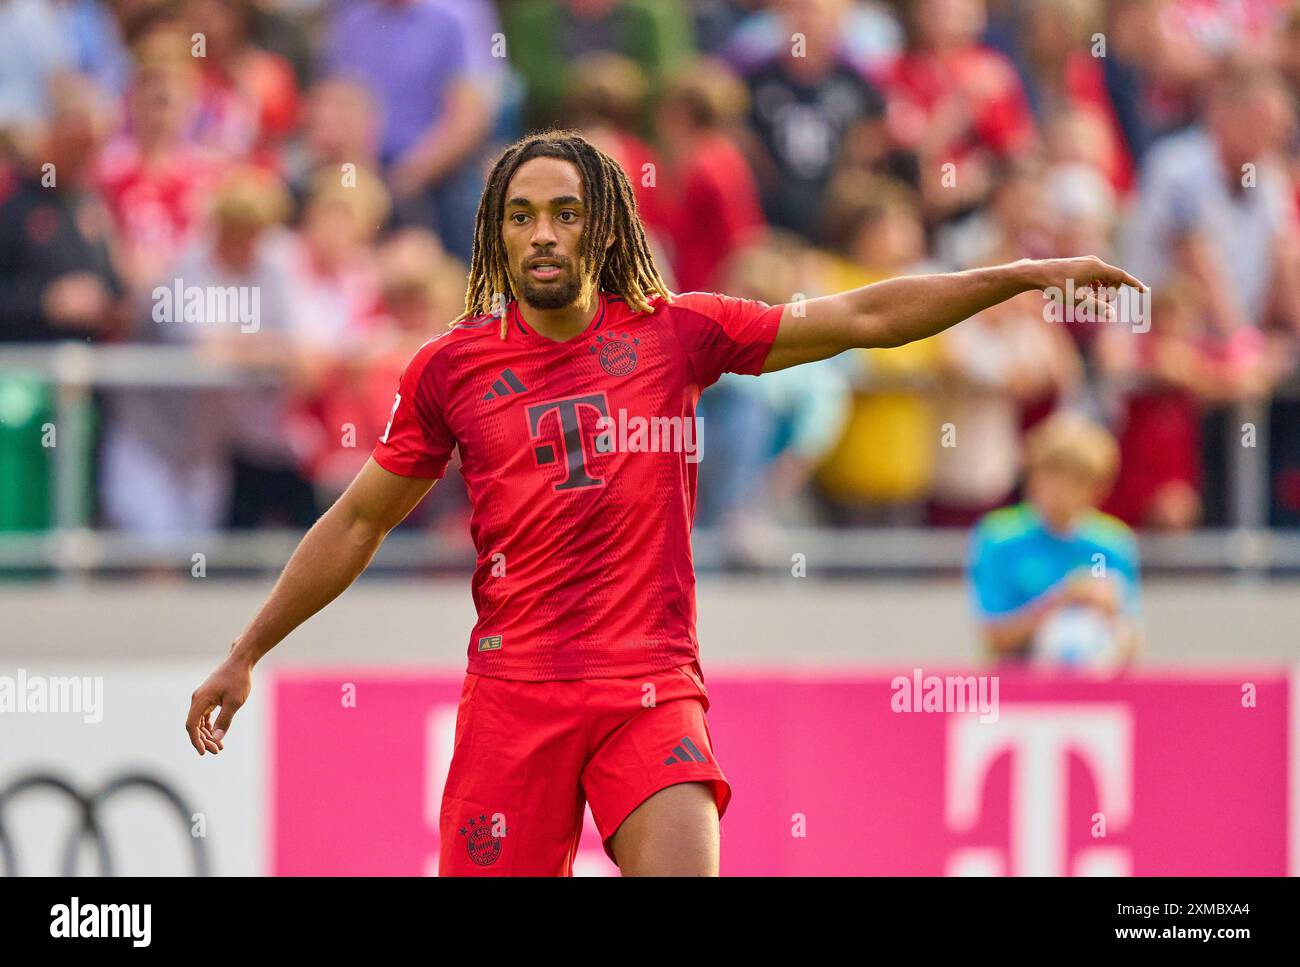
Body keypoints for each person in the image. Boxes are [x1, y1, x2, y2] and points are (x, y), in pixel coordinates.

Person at [185, 129, 1143, 876]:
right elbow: (359, 519)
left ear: (601, 225)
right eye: (522, 216)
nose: (544, 233)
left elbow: (861, 316)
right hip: (513, 696)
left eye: (564, 212)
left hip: (649, 686)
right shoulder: (451, 368)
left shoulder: (676, 335)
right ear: (496, 232)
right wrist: (245, 651)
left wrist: (1019, 278)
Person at [968, 411, 1142, 669]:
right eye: (1052, 475)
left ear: (1098, 488)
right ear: (1033, 476)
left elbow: (1131, 642)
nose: (1060, 490)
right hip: (1016, 690)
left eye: (1076, 480)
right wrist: (1062, 600)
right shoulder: (1000, 537)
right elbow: (995, 637)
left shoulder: (1112, 544)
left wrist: (1110, 615)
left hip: (1094, 692)